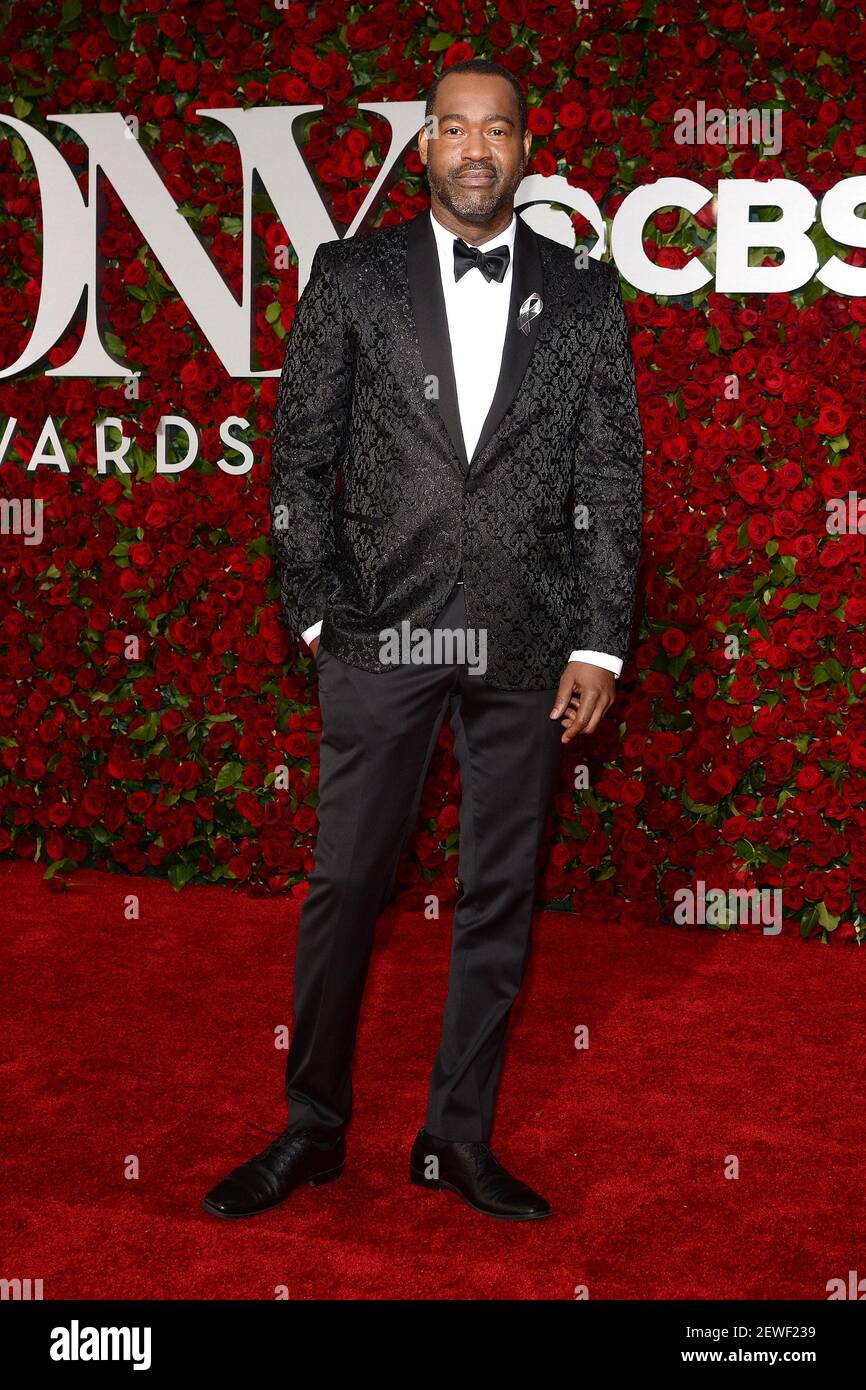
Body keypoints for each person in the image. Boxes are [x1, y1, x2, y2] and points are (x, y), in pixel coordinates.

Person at [203, 56, 643, 1223]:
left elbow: (610, 471)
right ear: (425, 148)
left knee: (497, 891)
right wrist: (315, 608)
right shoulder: (352, 276)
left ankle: (454, 1140)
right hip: (379, 633)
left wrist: (598, 643)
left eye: (495, 129)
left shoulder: (586, 293)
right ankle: (312, 1128)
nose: (473, 147)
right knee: (347, 882)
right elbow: (299, 459)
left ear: (525, 150)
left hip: (526, 638)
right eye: (452, 127)